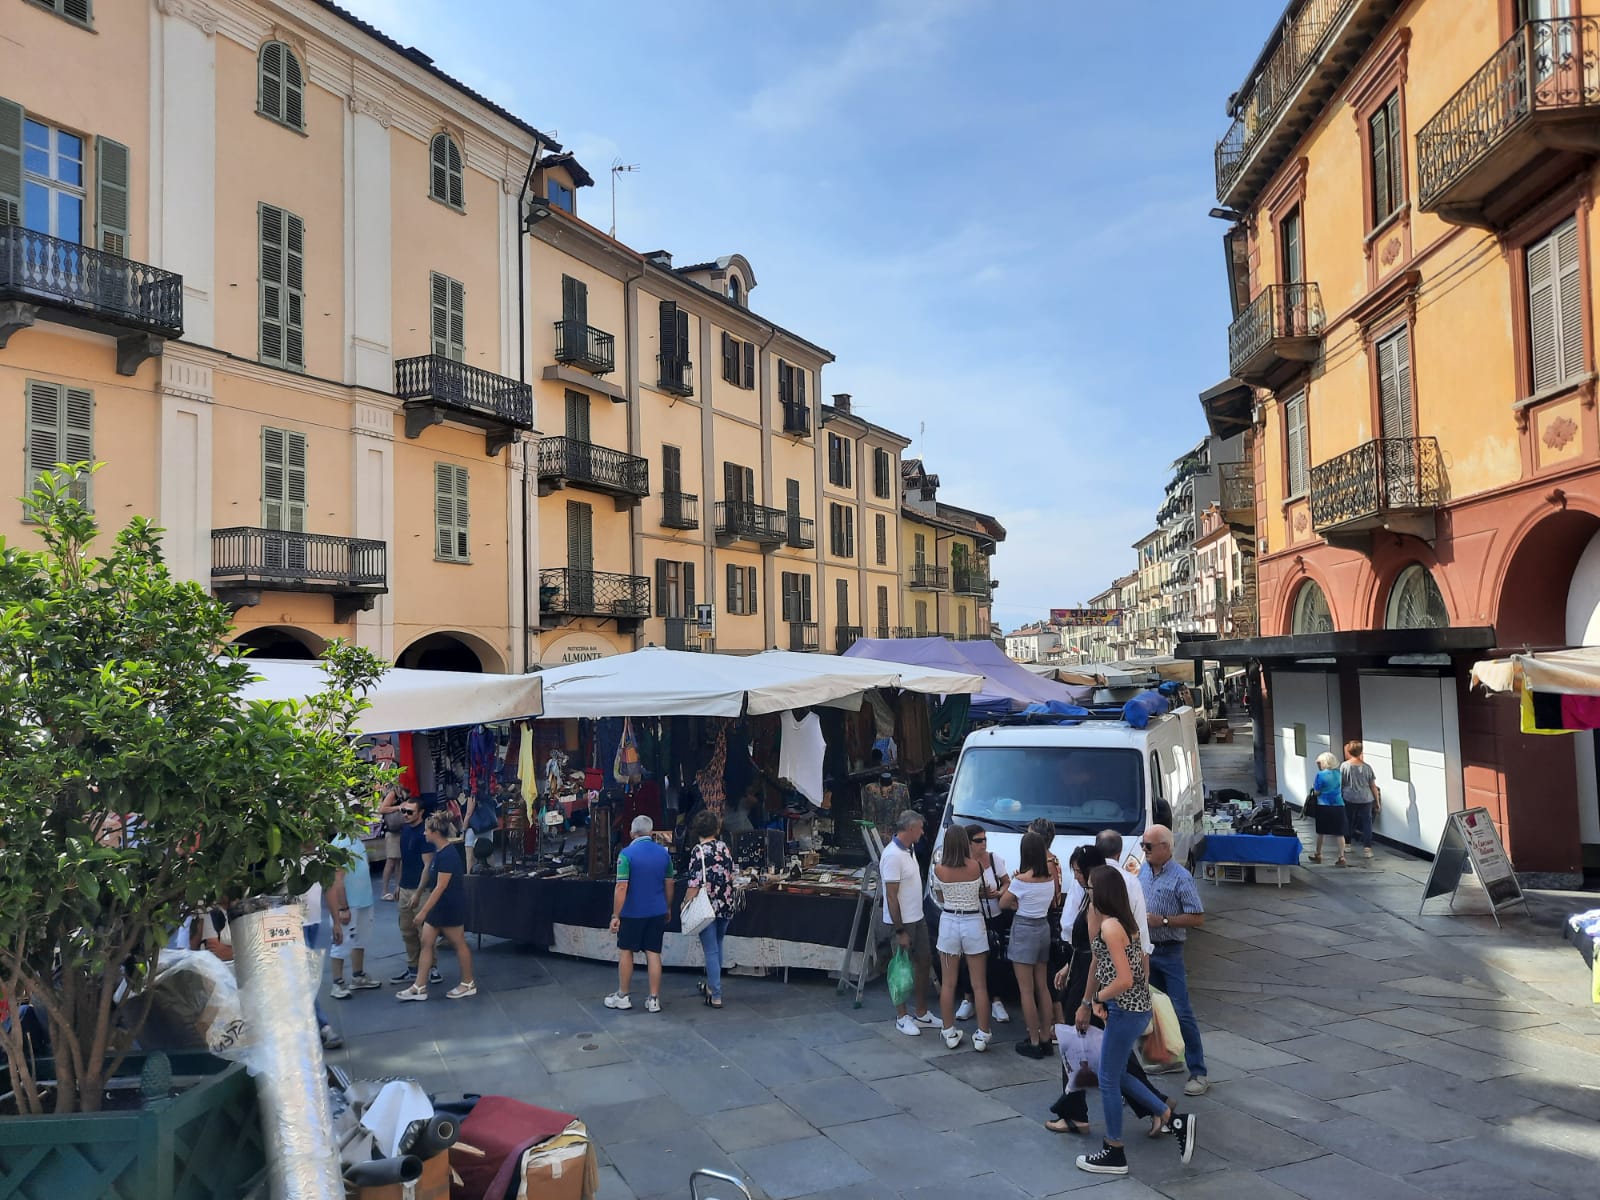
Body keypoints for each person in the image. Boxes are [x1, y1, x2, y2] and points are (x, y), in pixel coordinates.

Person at [1075, 866, 1196, 1175]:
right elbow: (1128, 965)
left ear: (1101, 892)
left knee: (1107, 1079)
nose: (1086, 892)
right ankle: (1170, 1117)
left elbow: (1125, 978)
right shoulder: (1120, 922)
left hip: (1126, 1009)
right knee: (1117, 1074)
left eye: (1089, 888)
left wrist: (1100, 998)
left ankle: (1114, 1150)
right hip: (1128, 1008)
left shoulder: (1111, 927)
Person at [1049, 846, 1169, 1137]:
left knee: (1106, 1067)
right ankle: (1156, 1110)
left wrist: (1091, 1000)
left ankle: (1125, 1134)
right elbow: (1099, 952)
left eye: (1079, 873)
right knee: (1105, 1061)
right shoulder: (1107, 902)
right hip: (1103, 986)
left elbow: (1106, 961)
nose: (1076, 879)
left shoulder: (1103, 913)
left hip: (1109, 992)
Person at [1138, 824, 1208, 1096]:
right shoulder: (1145, 869)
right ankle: (1165, 1057)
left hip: (1169, 951)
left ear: (1166, 848)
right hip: (1147, 949)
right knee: (1151, 1008)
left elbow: (1198, 916)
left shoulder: (1181, 878)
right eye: (1144, 845)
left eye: (1148, 846)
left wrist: (1163, 920)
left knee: (1181, 1010)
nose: (1143, 850)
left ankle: (1198, 1071)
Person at [397, 813, 476, 1001]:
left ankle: (468, 982)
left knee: (458, 944)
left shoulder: (448, 856)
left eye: (426, 830)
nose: (424, 833)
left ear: (434, 833)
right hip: (438, 908)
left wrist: (423, 912)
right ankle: (419, 986)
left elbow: (441, 887)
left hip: (449, 906)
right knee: (426, 943)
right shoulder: (440, 853)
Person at [929, 826, 992, 1051]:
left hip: (949, 922)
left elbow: (939, 895)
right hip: (973, 922)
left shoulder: (939, 869)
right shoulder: (975, 866)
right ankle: (983, 1034)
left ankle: (948, 1031)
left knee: (948, 983)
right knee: (979, 984)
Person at [605, 815, 675, 1013]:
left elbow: (621, 887)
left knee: (626, 951)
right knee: (653, 953)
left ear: (631, 833)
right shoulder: (664, 854)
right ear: (651, 832)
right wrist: (667, 907)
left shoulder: (626, 854)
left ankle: (623, 995)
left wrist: (615, 915)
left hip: (632, 912)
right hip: (656, 911)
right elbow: (669, 883)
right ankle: (654, 999)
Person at [879, 809, 939, 1035]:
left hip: (917, 916)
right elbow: (891, 896)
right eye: (921, 828)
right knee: (900, 969)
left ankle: (921, 1013)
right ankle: (901, 1016)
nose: (923, 832)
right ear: (911, 828)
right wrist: (900, 930)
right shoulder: (892, 855)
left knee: (924, 962)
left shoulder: (909, 850)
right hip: (903, 922)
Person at [999, 830, 1058, 1057]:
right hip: (1043, 927)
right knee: (1042, 986)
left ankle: (1033, 1041)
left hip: (1024, 929)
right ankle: (1045, 1036)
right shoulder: (1049, 878)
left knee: (1026, 990)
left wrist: (1015, 903)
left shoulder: (1021, 880)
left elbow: (1005, 902)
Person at [955, 823, 1011, 1025]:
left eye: (985, 839)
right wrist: (980, 894)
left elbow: (1006, 882)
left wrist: (1000, 893)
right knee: (968, 959)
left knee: (995, 958)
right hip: (972, 915)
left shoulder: (994, 859)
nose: (983, 844)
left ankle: (996, 1001)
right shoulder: (963, 862)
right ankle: (967, 998)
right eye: (979, 840)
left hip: (994, 915)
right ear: (968, 843)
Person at [682, 809, 738, 1009]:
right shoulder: (724, 847)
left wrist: (685, 903)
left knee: (711, 950)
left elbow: (694, 884)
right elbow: (730, 873)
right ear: (717, 828)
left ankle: (716, 994)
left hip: (707, 906)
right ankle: (714, 985)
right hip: (726, 902)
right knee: (718, 945)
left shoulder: (698, 851)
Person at [391, 798, 442, 987]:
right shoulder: (405, 831)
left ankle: (432, 968)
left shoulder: (425, 834)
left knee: (425, 932)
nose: (405, 815)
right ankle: (413, 967)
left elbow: (428, 865)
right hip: (405, 887)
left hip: (420, 890)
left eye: (410, 812)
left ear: (420, 813)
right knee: (407, 930)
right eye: (404, 811)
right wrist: (398, 884)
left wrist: (418, 893)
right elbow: (403, 860)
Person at [328, 828, 381, 998]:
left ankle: (358, 976)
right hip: (349, 903)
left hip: (363, 900)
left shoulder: (356, 839)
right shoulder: (339, 844)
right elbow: (337, 879)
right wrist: (342, 908)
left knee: (360, 940)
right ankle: (337, 983)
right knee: (341, 943)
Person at [1341, 740, 1381, 859]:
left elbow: (1342, 783)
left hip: (1349, 797)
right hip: (1365, 798)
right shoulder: (1367, 767)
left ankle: (1347, 844)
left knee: (1349, 820)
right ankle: (1367, 849)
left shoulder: (1345, 766)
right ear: (1361, 752)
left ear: (1349, 751)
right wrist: (1377, 802)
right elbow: (1373, 786)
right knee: (1367, 823)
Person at [1309, 751, 1348, 866]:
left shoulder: (1320, 775)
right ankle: (1341, 857)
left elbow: (1316, 792)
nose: (1318, 765)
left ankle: (1318, 854)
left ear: (1325, 762)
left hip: (1323, 806)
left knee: (1321, 832)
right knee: (1339, 833)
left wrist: (1314, 790)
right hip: (1339, 805)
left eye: (1319, 763)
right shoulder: (1339, 774)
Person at [862, 768, 909, 846]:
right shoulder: (870, 789)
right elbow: (867, 816)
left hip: (897, 833)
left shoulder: (902, 789)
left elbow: (907, 813)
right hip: (876, 834)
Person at [377, 784, 407, 901]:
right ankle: (384, 891)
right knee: (391, 861)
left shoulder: (404, 793)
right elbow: (382, 809)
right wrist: (398, 807)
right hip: (392, 830)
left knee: (399, 861)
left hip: (400, 830)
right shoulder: (393, 793)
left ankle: (398, 889)